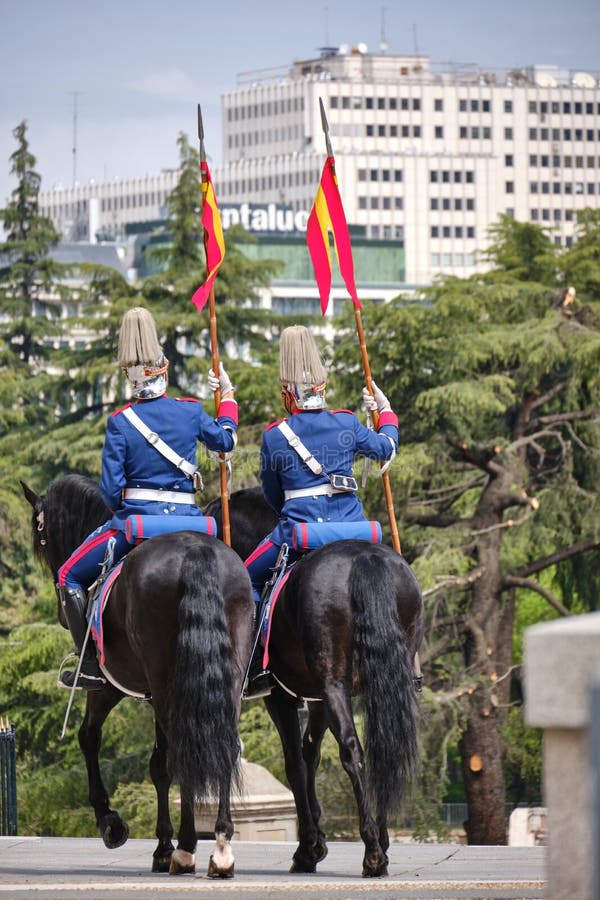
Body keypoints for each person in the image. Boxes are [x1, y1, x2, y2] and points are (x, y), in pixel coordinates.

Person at [57, 307, 237, 690]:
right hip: (193, 522)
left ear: (130, 377)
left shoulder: (122, 422)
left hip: (137, 523)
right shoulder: (190, 411)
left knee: (68, 575)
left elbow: (109, 490)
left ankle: (89, 664)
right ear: (164, 370)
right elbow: (226, 441)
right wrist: (227, 397)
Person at [243, 324, 398, 698]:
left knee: (245, 577)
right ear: (322, 388)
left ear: (287, 395)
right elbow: (387, 449)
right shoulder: (346, 421)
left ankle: (255, 665)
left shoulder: (276, 434)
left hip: (300, 532)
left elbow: (272, 494)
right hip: (355, 530)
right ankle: (407, 665)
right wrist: (385, 410)